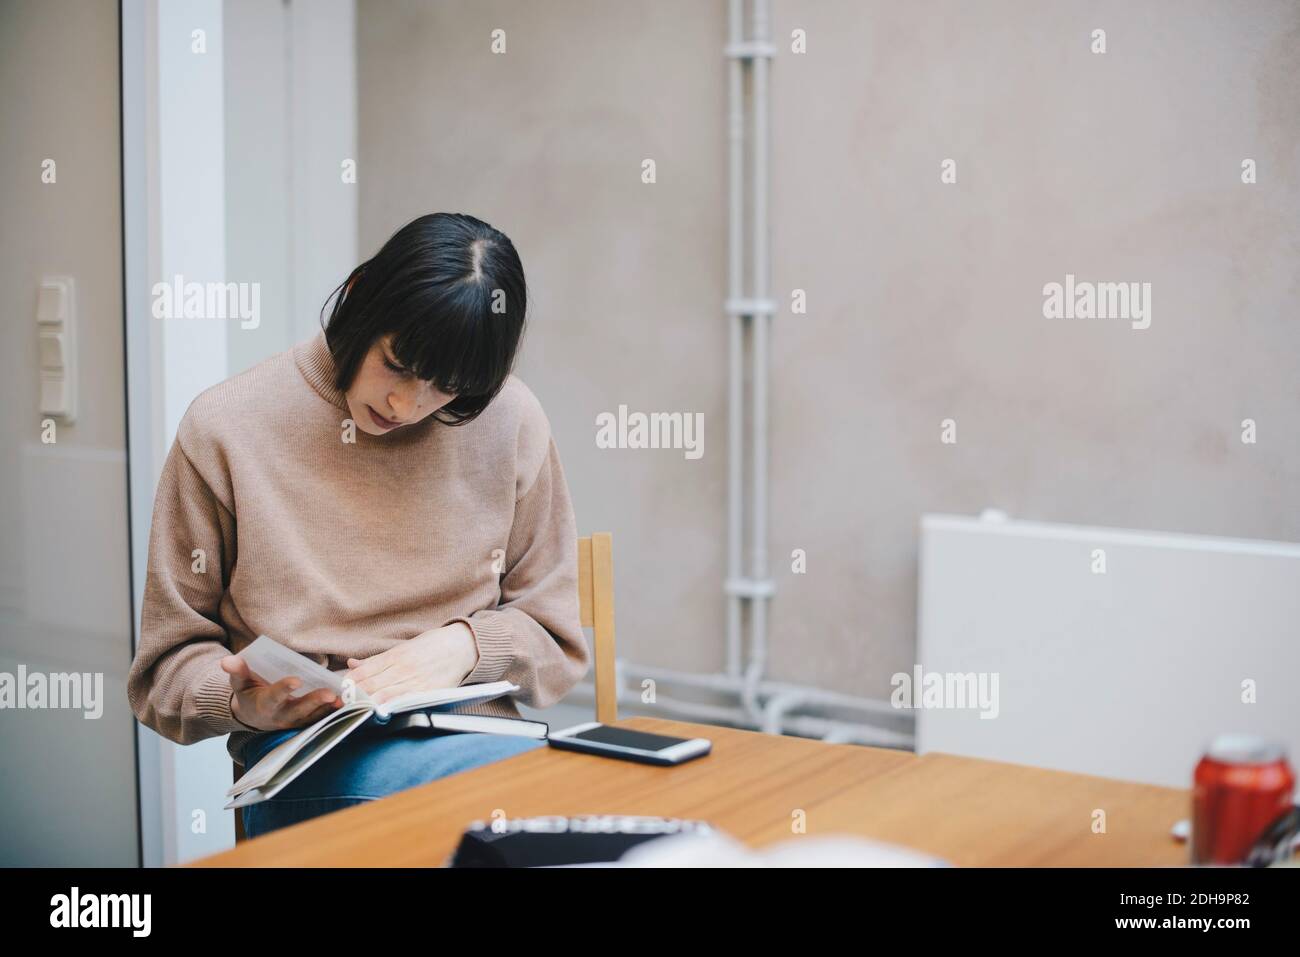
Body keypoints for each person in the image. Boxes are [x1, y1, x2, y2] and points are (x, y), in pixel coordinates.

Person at [126, 212, 590, 839]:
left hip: (481, 737)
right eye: (396, 364)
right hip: (309, 756)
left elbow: (554, 633)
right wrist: (243, 703)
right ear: (358, 299)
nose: (407, 405)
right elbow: (163, 671)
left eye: (444, 389)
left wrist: (463, 647)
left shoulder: (509, 420)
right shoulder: (226, 427)